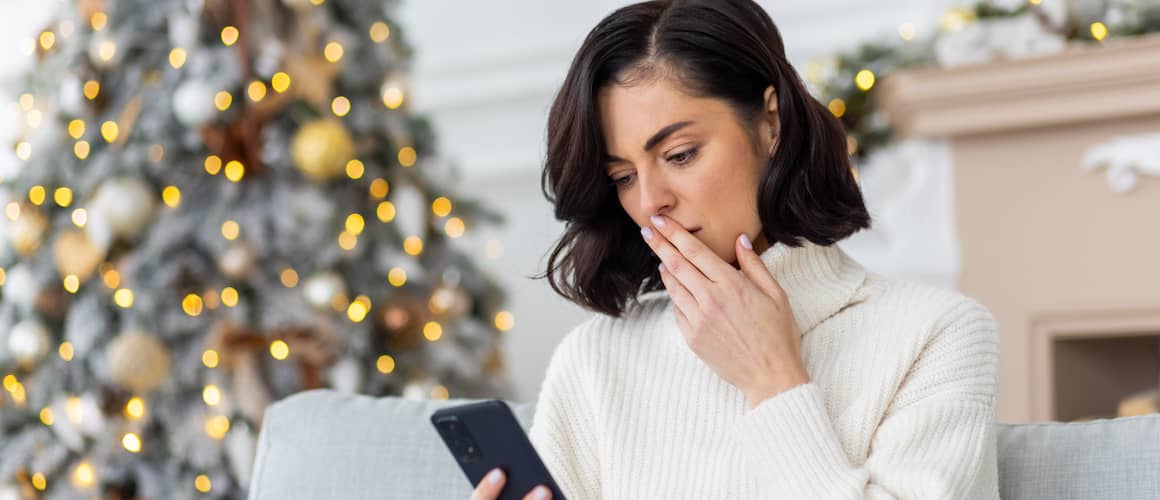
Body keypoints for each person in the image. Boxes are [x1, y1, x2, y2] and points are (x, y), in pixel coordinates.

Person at [473, 0, 1000, 498]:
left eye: (680, 155)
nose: (651, 201)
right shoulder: (595, 360)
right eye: (623, 176)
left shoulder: (937, 336)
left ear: (771, 122)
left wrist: (773, 380)